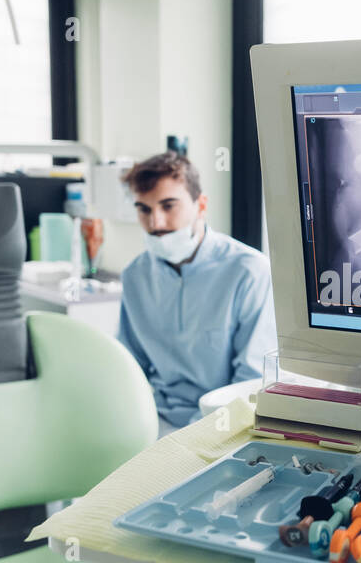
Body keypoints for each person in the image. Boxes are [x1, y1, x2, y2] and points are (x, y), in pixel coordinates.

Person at [115, 152, 275, 431]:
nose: (156, 223)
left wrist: (195, 432)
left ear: (201, 205)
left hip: (224, 421)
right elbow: (129, 368)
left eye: (168, 206)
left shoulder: (250, 272)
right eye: (144, 209)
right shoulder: (135, 276)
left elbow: (250, 382)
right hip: (154, 419)